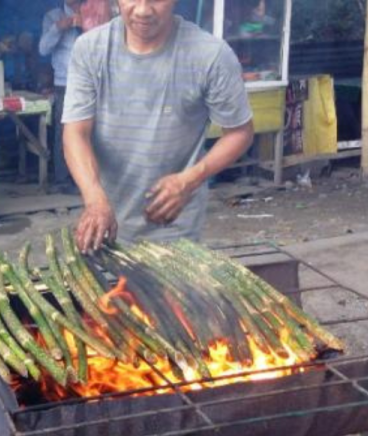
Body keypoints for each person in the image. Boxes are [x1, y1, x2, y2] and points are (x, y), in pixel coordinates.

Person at [62, 0, 255, 252]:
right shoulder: (90, 49)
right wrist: (94, 199)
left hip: (175, 224)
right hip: (105, 220)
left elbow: (240, 131)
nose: (142, 10)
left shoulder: (210, 55)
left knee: (170, 292)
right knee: (110, 292)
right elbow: (75, 132)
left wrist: (190, 179)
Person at [39, 0, 85, 194]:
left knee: (92, 133)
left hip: (91, 83)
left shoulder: (95, 11)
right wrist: (59, 28)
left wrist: (88, 25)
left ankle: (88, 179)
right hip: (64, 84)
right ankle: (62, 180)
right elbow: (42, 49)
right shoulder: (53, 16)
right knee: (64, 133)